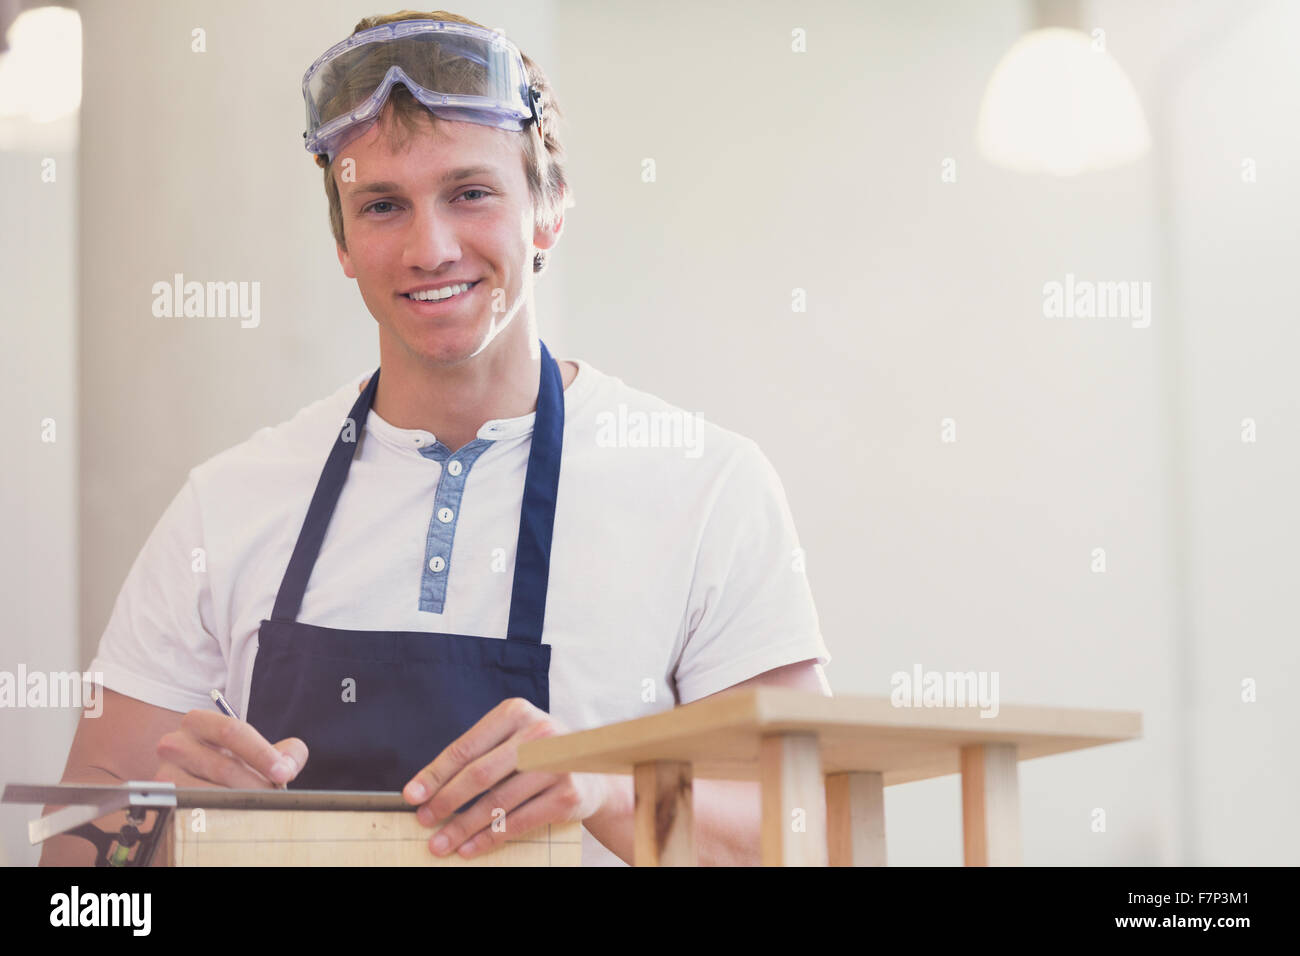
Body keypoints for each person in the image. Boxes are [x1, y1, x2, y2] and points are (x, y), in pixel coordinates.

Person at [42, 9, 830, 867]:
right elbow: (74, 879)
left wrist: (605, 792)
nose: (431, 246)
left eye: (471, 193)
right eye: (382, 205)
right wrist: (164, 840)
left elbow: (814, 835)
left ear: (549, 211)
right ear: (343, 243)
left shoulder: (708, 488)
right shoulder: (224, 504)